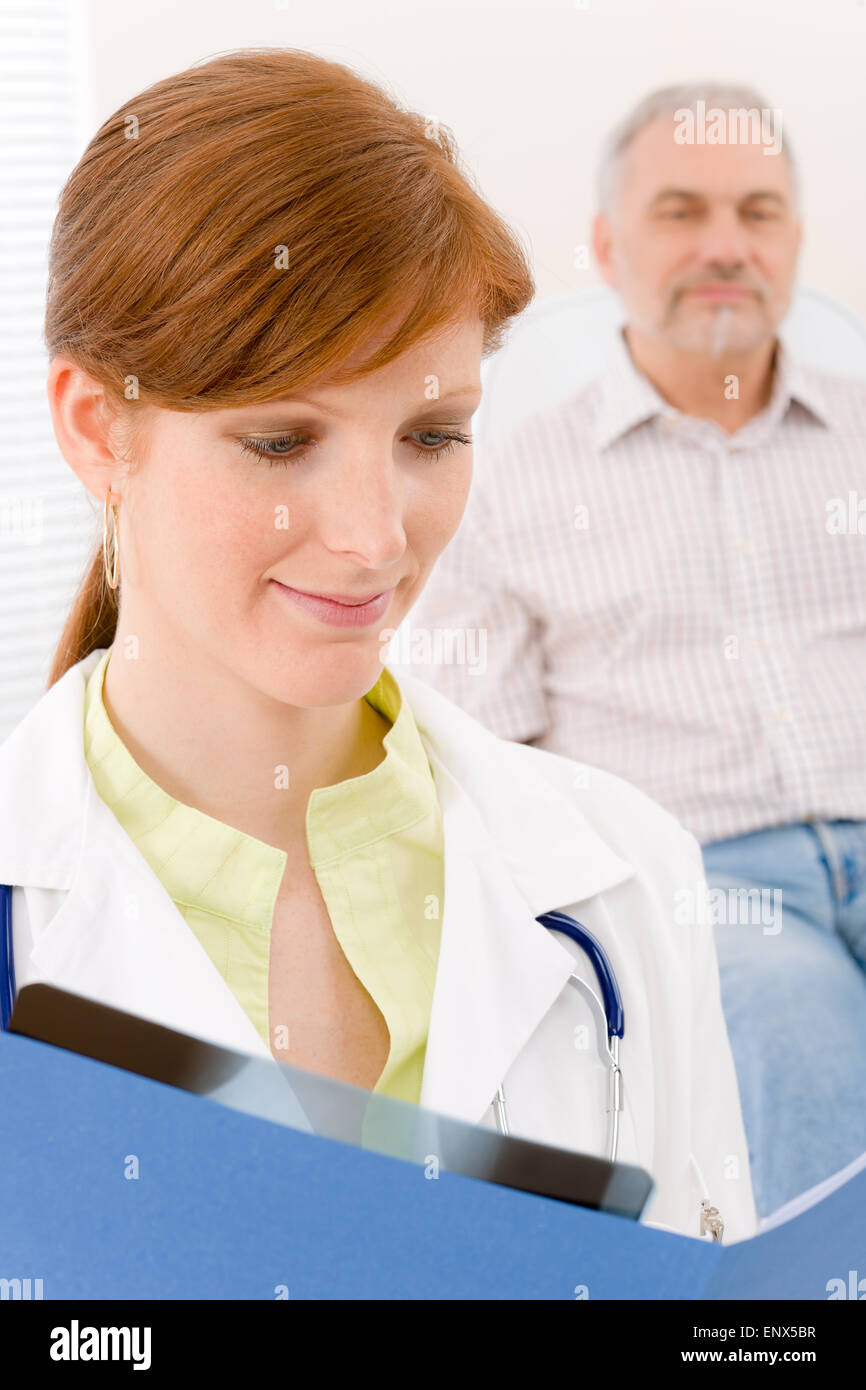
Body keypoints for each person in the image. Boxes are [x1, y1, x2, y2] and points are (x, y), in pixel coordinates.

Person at [0, 52, 756, 1242]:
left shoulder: (621, 878)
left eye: (432, 433)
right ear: (98, 428)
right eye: (281, 442)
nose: (371, 537)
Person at [403, 82, 866, 1219]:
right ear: (605, 246)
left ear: (793, 243)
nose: (724, 244)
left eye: (757, 212)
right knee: (794, 1034)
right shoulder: (508, 484)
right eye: (680, 211)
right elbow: (479, 765)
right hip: (708, 880)